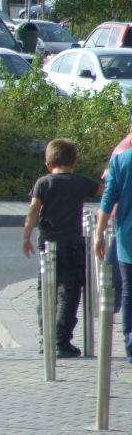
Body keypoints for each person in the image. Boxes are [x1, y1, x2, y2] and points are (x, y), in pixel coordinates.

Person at [21, 138, 101, 358]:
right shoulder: (81, 181)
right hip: (73, 244)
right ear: (74, 162)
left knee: (45, 291)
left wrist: (26, 236)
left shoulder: (43, 182)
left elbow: (33, 210)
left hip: (47, 242)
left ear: (48, 164)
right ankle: (61, 341)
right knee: (70, 292)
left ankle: (45, 339)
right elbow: (104, 190)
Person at [95, 135, 132, 364]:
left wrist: (98, 234)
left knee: (129, 290)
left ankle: (130, 343)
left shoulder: (120, 161)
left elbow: (107, 200)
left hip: (128, 238)